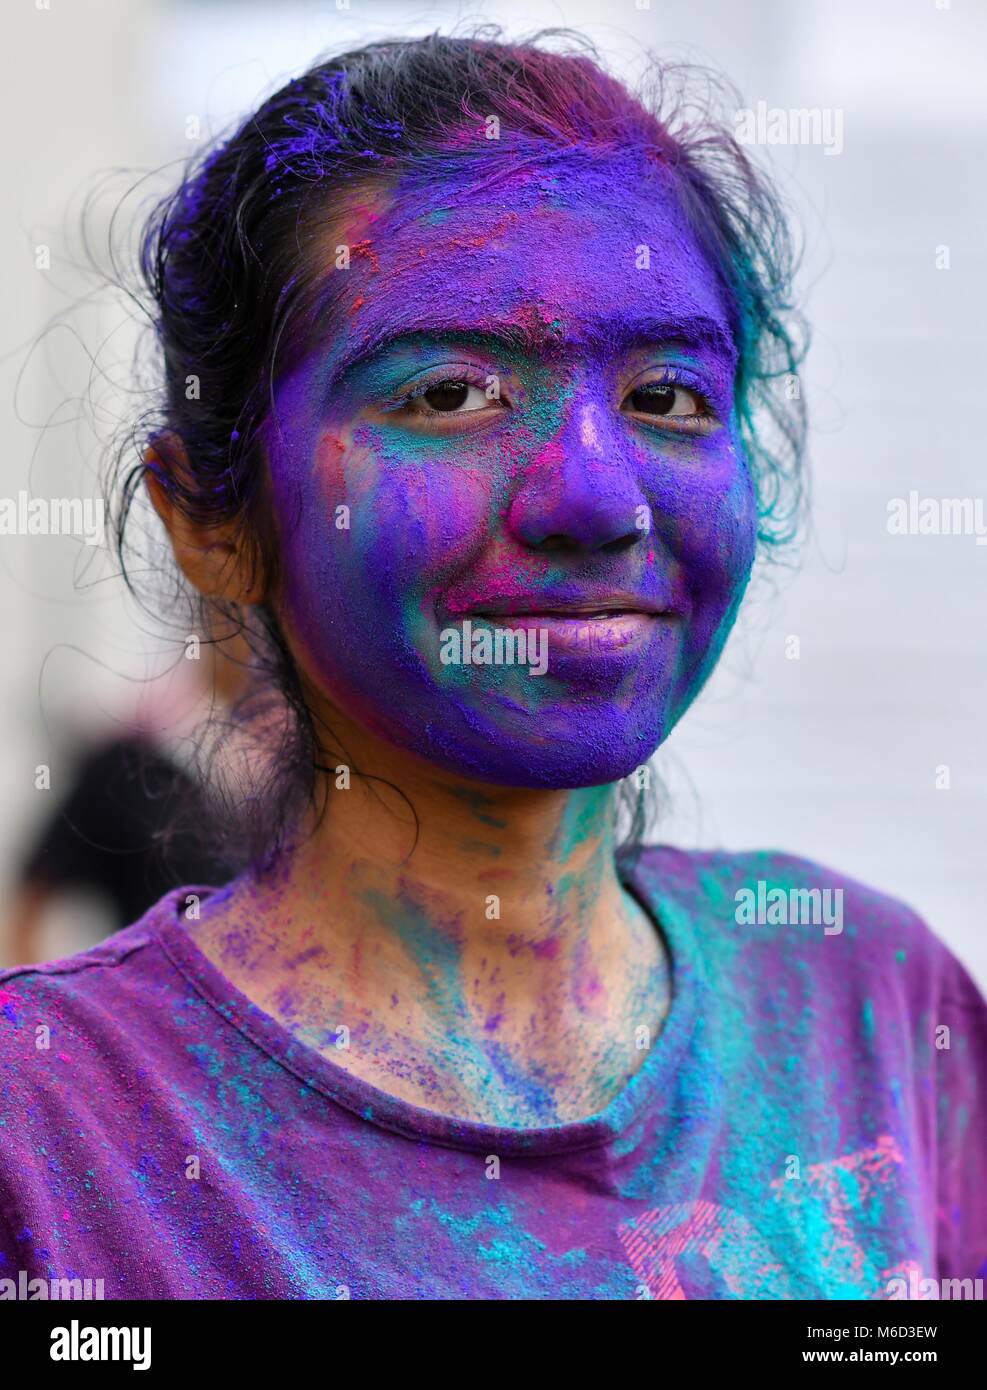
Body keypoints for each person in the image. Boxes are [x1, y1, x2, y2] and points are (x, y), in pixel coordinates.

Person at [0, 31, 984, 1301]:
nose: (596, 497)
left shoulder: (872, 1002)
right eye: (454, 392)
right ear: (212, 519)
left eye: (671, 397)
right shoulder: (52, 1131)